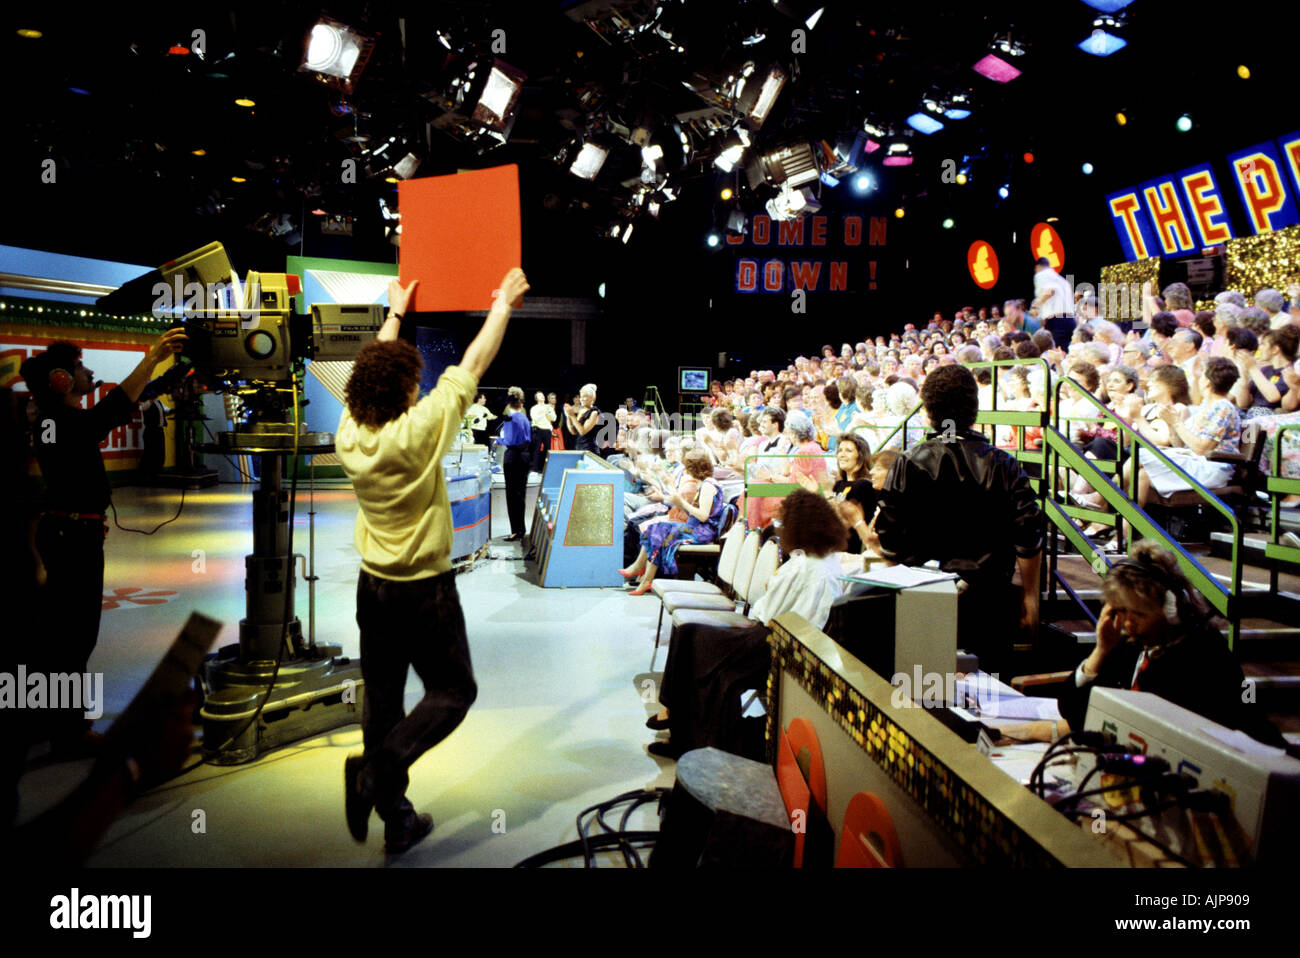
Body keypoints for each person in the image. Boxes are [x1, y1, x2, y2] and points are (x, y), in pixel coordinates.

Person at [337, 268, 529, 853]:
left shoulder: (348, 433)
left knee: (385, 700)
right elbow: (471, 366)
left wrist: (395, 313)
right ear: (403, 391)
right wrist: (502, 306)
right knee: (453, 693)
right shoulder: (419, 432)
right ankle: (377, 773)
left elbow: (373, 368)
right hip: (424, 590)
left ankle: (396, 818)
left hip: (373, 588)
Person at [19, 326, 187, 753]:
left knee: (59, 635)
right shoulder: (58, 420)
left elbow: (102, 415)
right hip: (72, 538)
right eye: (80, 367)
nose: (89, 371)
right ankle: (69, 733)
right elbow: (109, 411)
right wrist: (150, 358)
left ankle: (45, 722)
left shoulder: (52, 420)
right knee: (73, 637)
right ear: (60, 379)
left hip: (72, 531)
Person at [867, 365, 1043, 672]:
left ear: (929, 410)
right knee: (989, 695)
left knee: (924, 696)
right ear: (973, 408)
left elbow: (890, 541)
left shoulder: (909, 462)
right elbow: (1028, 536)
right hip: (991, 603)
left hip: (924, 599)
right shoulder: (1005, 463)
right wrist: (1030, 597)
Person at [1057, 543, 1284, 746]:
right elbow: (1069, 709)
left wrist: (1053, 730)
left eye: (1138, 614)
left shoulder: (1201, 655)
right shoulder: (1132, 644)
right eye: (1121, 611)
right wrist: (1100, 651)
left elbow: (1137, 728)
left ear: (1171, 609)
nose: (1127, 623)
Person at [620, 448, 724, 596]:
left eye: (687, 467)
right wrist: (682, 504)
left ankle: (643, 576)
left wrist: (681, 502)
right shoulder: (704, 484)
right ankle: (642, 573)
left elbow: (703, 516)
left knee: (659, 531)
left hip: (701, 532)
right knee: (655, 528)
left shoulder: (708, 485)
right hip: (694, 527)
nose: (686, 471)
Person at [499, 387, 532, 541]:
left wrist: (499, 441)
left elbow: (510, 440)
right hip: (525, 457)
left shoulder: (511, 419)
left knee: (512, 495)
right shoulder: (524, 418)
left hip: (513, 457)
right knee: (520, 495)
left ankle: (516, 531)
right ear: (521, 403)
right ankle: (521, 529)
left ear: (508, 404)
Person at [565, 384, 602, 454]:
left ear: (592, 398)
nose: (581, 399)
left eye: (584, 397)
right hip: (578, 447)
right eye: (580, 397)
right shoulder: (581, 411)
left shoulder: (594, 412)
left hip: (590, 450)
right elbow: (574, 432)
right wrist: (569, 416)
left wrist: (572, 416)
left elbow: (583, 431)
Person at [528, 390, 555, 473]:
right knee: (536, 450)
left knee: (548, 450)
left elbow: (554, 418)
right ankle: (535, 469)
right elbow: (535, 418)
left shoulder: (549, 407)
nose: (542, 396)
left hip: (547, 430)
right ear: (536, 398)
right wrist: (544, 413)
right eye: (540, 395)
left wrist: (549, 413)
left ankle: (546, 468)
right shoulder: (534, 408)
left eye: (543, 395)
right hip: (538, 429)